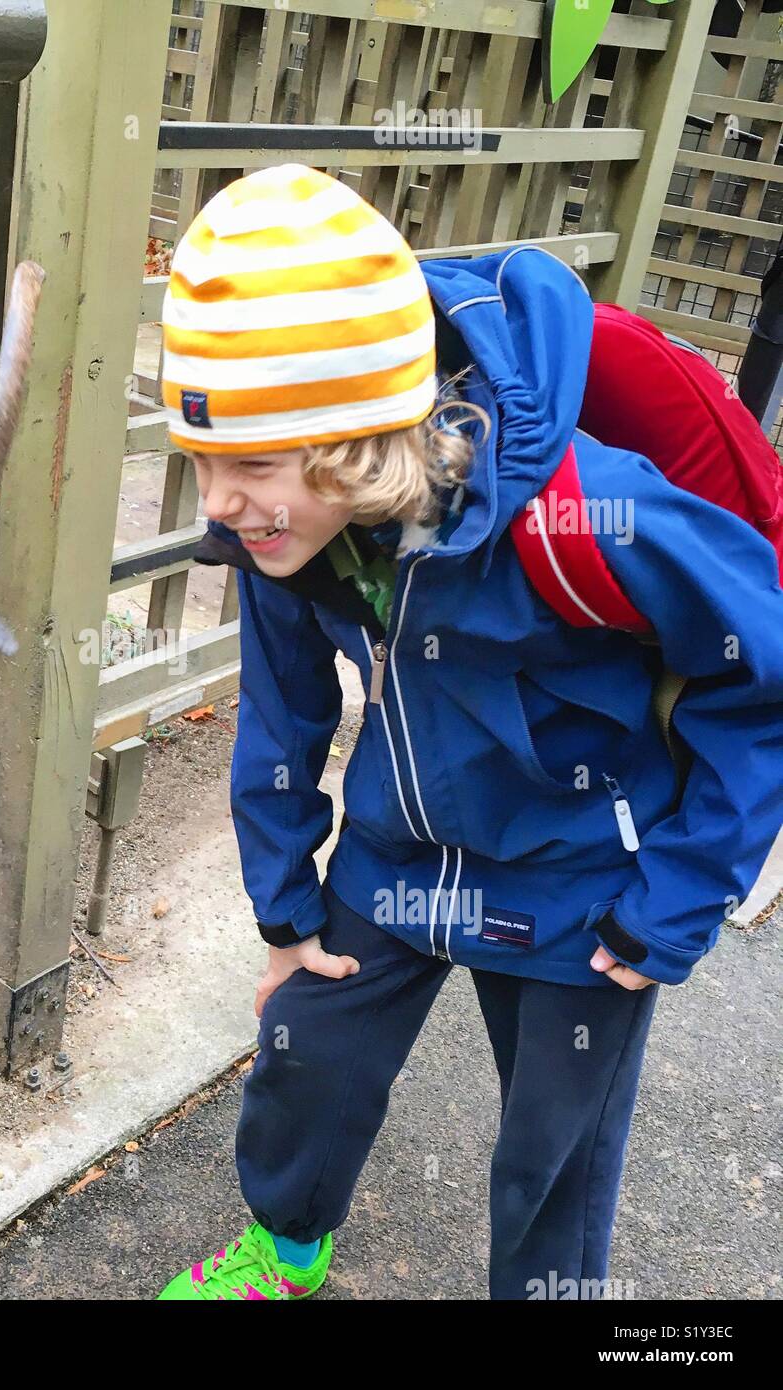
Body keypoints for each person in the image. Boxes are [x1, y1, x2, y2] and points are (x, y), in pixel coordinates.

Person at [155, 163, 783, 1300]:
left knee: (551, 1151)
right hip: (399, 848)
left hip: (581, 881)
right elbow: (284, 711)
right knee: (309, 1051)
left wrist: (675, 904)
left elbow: (766, 672)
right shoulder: (282, 540)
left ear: (351, 439)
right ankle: (284, 1253)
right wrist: (284, 906)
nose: (214, 501)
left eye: (244, 463)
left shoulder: (589, 515)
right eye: (200, 461)